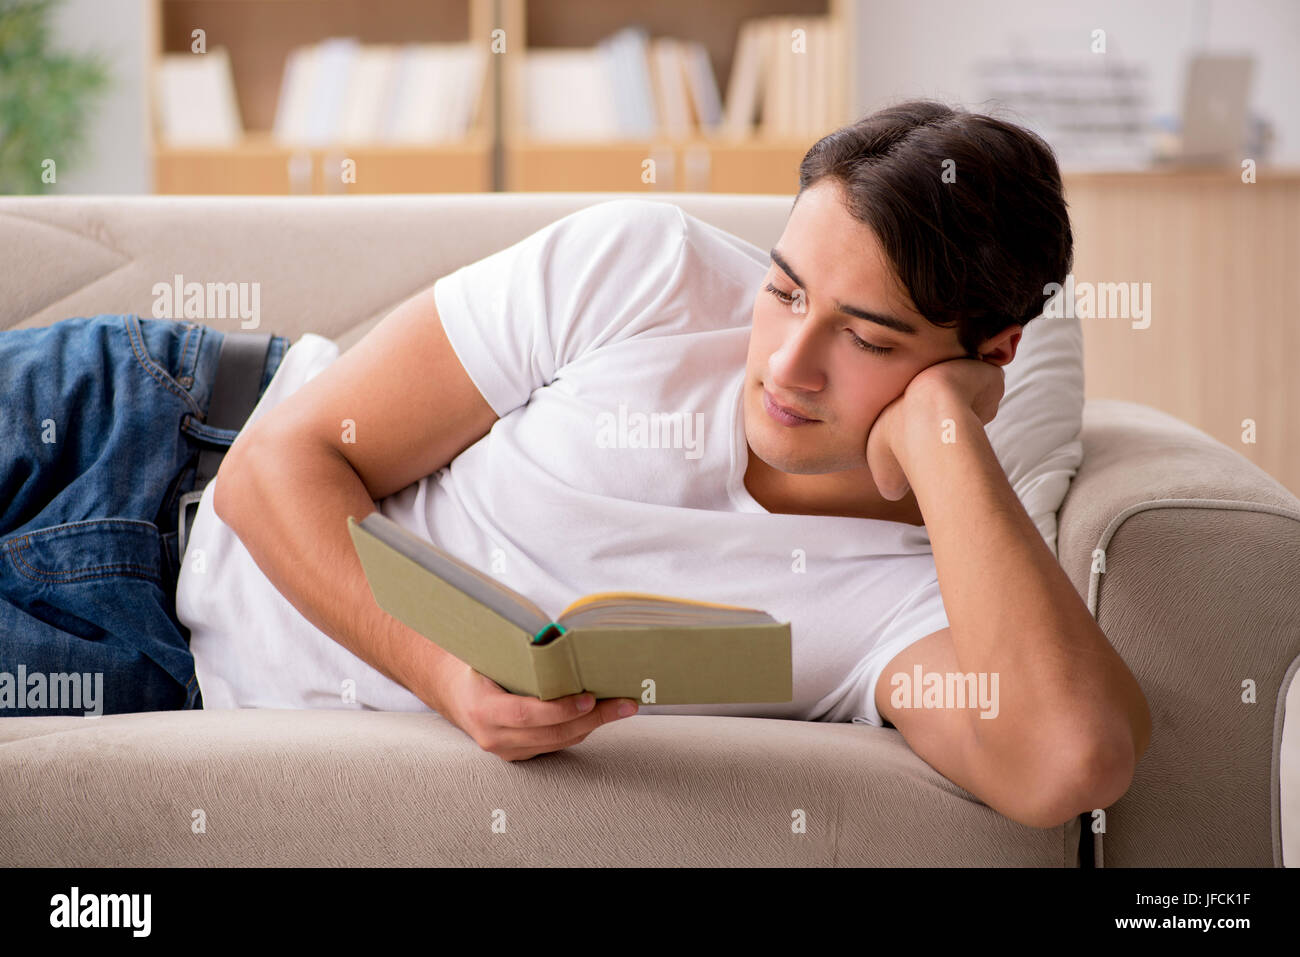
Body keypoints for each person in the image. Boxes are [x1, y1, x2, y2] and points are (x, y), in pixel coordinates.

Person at [1, 100, 1149, 829]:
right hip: (148, 426)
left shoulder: (906, 603)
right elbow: (275, 470)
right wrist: (446, 676)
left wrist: (943, 436)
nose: (787, 365)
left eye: (868, 339)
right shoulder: (649, 270)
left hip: (155, 664)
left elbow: (1068, 761)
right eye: (785, 290)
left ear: (989, 355)